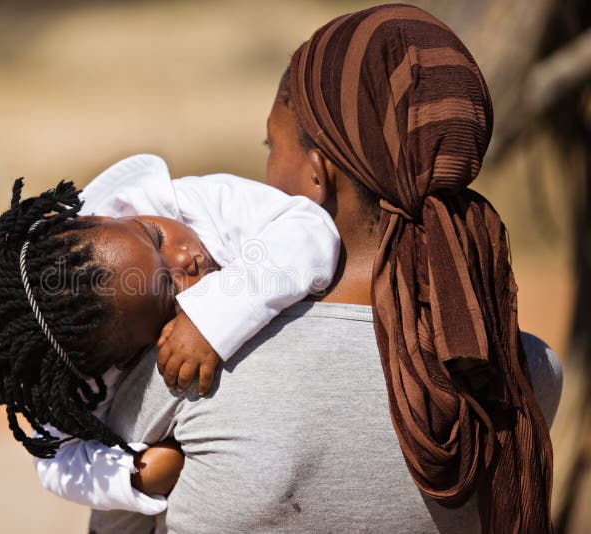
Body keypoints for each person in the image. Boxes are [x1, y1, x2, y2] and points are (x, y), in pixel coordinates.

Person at [90, 4, 560, 533]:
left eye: (272, 145)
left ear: (318, 174)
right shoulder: (525, 373)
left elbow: (116, 523)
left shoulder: (189, 366)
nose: (265, 172)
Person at [0, 153, 340, 513]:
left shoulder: (190, 203)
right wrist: (133, 474)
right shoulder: (87, 360)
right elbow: (55, 460)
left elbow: (310, 229)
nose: (185, 258)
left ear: (103, 216)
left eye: (155, 236)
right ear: (124, 358)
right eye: (170, 289)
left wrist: (214, 313)